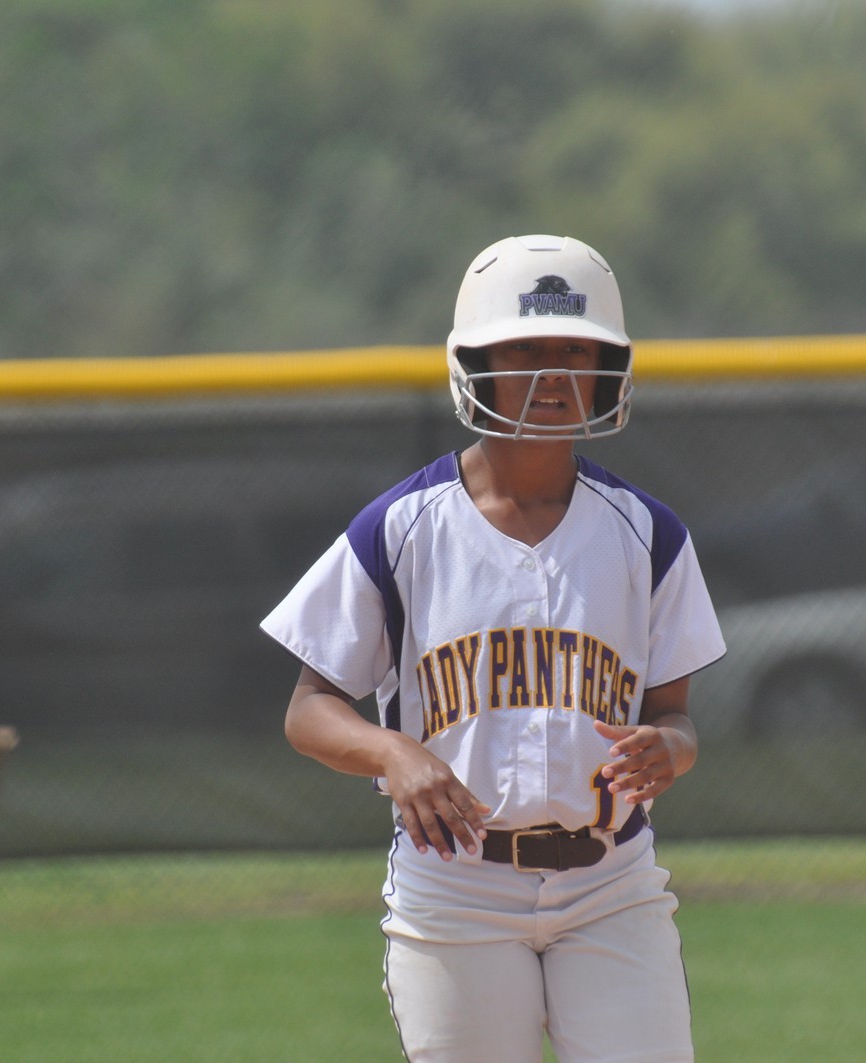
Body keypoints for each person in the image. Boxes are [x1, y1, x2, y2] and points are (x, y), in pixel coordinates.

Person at [261, 234, 726, 1061]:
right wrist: (390, 750)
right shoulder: (402, 529)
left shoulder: (647, 533)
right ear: (473, 362)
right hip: (457, 887)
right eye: (525, 349)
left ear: (606, 369)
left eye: (575, 350)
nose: (553, 372)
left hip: (609, 884)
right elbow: (309, 709)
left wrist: (671, 751)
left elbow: (676, 721)